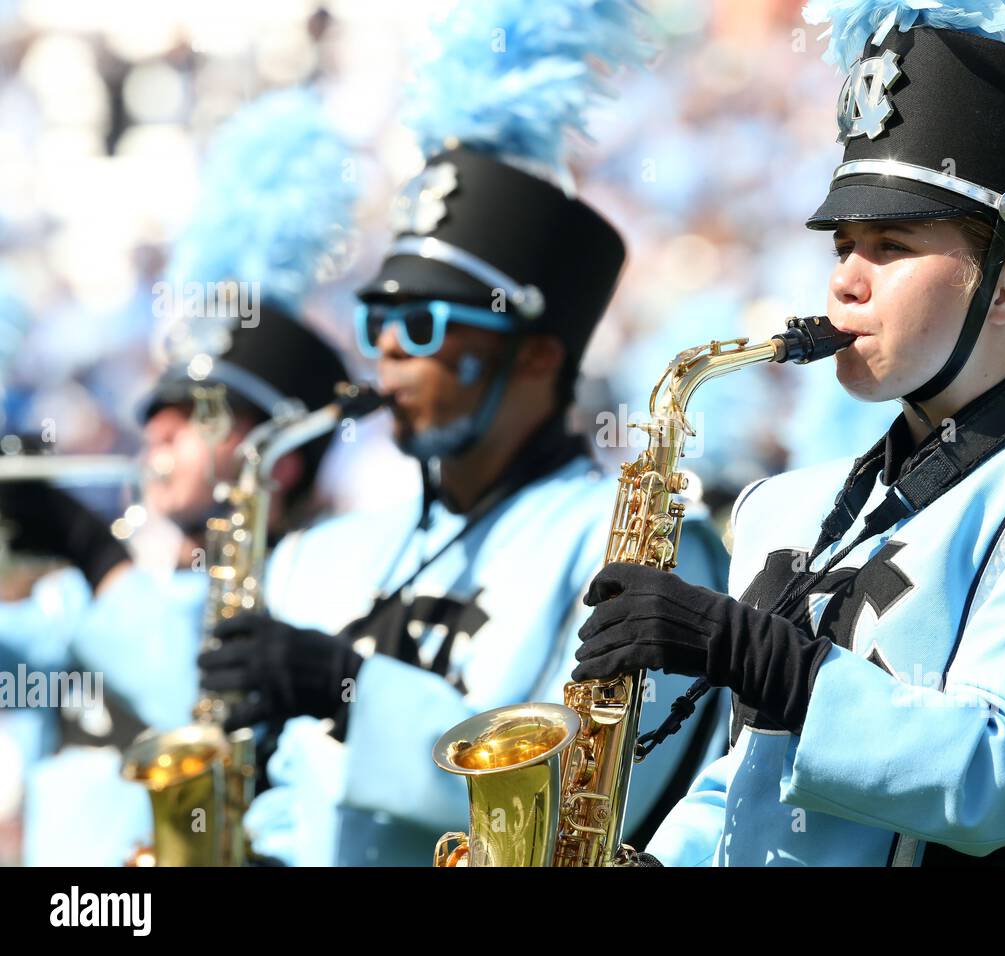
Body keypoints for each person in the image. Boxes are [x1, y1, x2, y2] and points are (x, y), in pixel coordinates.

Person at [572, 2, 1005, 866]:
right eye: (843, 242)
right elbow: (753, 778)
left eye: (889, 244)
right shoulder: (788, 505)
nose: (843, 280)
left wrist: (762, 655)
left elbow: (1002, 773)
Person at [198, 0, 730, 866]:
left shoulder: (633, 546)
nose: (388, 357)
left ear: (534, 357)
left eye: (427, 326)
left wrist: (348, 690)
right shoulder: (326, 554)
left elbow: (588, 809)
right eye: (378, 320)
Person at [0, 88, 358, 865]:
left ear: (282, 459)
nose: (157, 435)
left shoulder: (319, 590)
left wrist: (91, 552)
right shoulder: (123, 588)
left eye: (196, 419)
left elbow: (195, 701)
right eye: (155, 417)